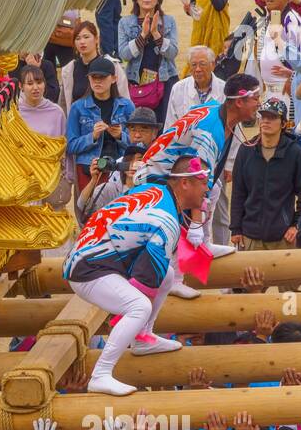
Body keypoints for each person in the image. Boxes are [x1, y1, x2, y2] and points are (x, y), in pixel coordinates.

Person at [63, 155, 210, 395]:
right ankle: (100, 374)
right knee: (139, 306)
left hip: (92, 259)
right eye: (203, 182)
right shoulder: (167, 222)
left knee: (168, 275)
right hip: (87, 270)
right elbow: (144, 277)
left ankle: (143, 338)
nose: (208, 188)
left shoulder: (156, 189)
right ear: (185, 184)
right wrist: (129, 318)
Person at [136, 73, 262, 260]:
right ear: (239, 102)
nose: (259, 103)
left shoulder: (219, 113)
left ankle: (203, 244)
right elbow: (197, 176)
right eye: (256, 98)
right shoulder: (210, 131)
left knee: (215, 187)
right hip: (156, 178)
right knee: (171, 228)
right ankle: (178, 273)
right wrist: (195, 224)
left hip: (175, 175)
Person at [230, 98, 301, 251]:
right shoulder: (245, 150)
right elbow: (238, 193)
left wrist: (297, 225)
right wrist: (236, 228)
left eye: (272, 117)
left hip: (283, 238)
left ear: (283, 123)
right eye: (263, 116)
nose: (266, 121)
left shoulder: (295, 153)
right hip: (249, 236)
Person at [67, 56, 134, 192]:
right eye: (93, 77)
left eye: (102, 77)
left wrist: (121, 136)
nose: (97, 81)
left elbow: (137, 144)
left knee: (118, 210)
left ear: (114, 79)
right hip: (88, 168)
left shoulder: (126, 106)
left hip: (120, 169)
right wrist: (92, 136)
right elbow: (70, 145)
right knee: (88, 210)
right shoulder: (78, 107)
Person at [117, 0, 179, 123]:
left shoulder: (168, 21)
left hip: (165, 81)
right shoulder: (125, 23)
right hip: (136, 82)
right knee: (137, 125)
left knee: (164, 124)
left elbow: (172, 53)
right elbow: (124, 54)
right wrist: (143, 35)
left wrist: (156, 33)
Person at [16, 63, 72, 208]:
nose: (35, 87)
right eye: (29, 83)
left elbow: (65, 148)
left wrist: (66, 178)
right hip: (24, 180)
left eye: (39, 82)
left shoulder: (56, 112)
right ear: (21, 86)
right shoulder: (14, 113)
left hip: (51, 180)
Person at [60, 20, 129, 111]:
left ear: (97, 39)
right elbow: (64, 105)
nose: (82, 42)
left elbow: (124, 97)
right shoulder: (69, 69)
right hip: (79, 121)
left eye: (86, 37)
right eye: (78, 38)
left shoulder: (111, 65)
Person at [163, 46, 226, 127]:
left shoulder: (225, 90)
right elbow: (170, 124)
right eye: (193, 65)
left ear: (213, 65)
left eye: (202, 64)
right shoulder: (178, 88)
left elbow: (234, 128)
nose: (198, 69)